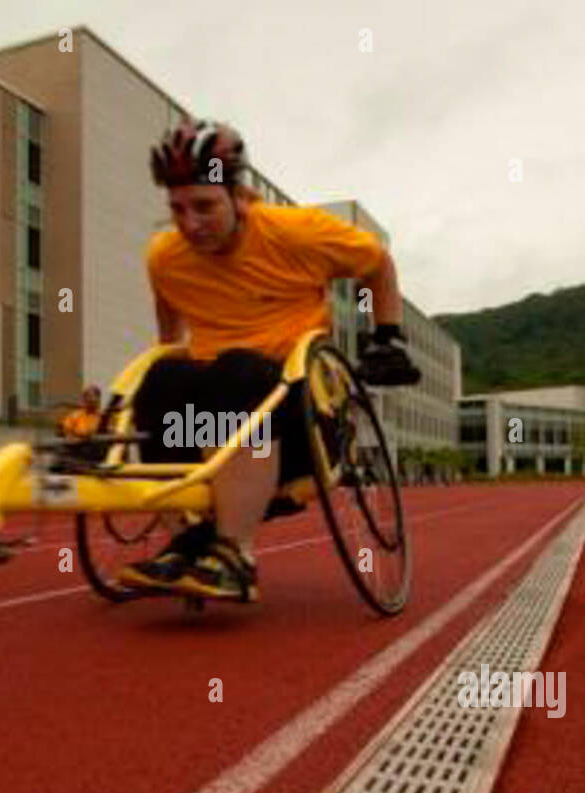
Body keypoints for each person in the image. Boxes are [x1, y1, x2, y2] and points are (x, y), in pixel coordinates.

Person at [118, 118, 420, 602]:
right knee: (164, 374)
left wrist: (385, 337)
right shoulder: (165, 257)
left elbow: (377, 264)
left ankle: (235, 554)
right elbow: (169, 313)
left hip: (298, 419)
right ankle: (188, 540)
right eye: (177, 209)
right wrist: (169, 368)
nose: (190, 224)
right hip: (207, 428)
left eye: (204, 206)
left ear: (240, 197)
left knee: (240, 370)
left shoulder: (295, 233)